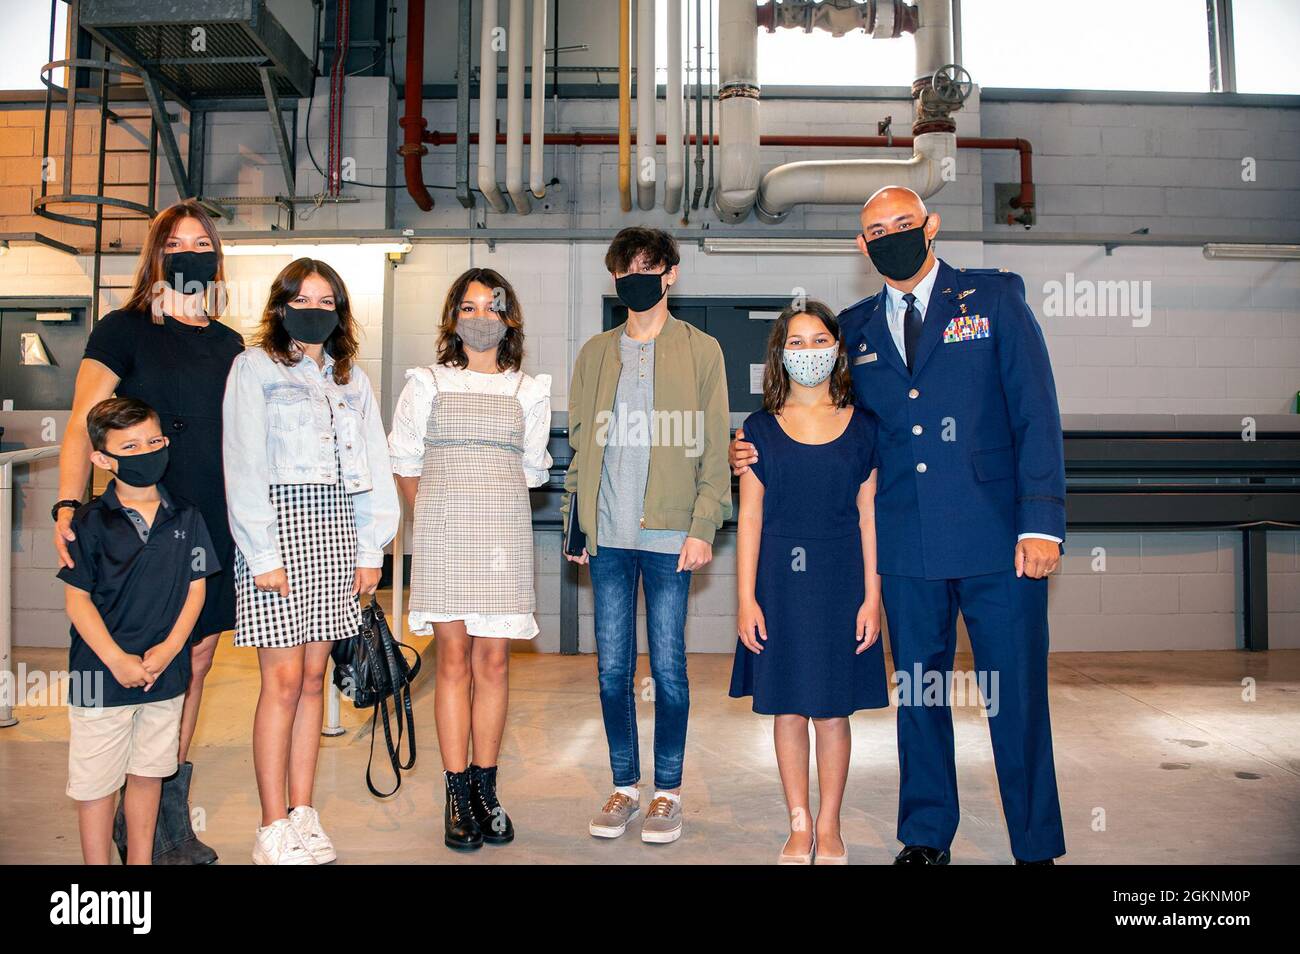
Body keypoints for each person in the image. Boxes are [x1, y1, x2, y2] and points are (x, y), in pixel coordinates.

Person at [731, 187, 1067, 866]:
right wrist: (756, 448)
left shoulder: (993, 300)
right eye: (874, 230)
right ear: (862, 246)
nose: (889, 237)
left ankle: (1035, 843)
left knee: (1017, 696)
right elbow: (834, 423)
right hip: (907, 547)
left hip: (999, 541)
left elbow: (1037, 414)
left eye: (902, 224)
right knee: (921, 696)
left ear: (931, 226)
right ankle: (926, 834)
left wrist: (1042, 524)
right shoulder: (852, 331)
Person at [51, 199, 243, 864]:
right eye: (176, 243)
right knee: (131, 657)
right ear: (156, 257)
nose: (190, 251)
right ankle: (117, 815)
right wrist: (67, 507)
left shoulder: (229, 343)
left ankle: (163, 816)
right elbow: (82, 421)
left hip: (209, 521)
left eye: (201, 242)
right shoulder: (122, 329)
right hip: (137, 527)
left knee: (194, 661)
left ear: (215, 259)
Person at [223, 258, 399, 865]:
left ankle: (304, 813)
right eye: (304, 299)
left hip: (338, 537)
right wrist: (262, 554)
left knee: (313, 683)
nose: (315, 310)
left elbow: (374, 467)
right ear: (280, 305)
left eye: (328, 302)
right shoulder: (253, 368)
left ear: (341, 312)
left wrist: (371, 549)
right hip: (278, 535)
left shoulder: (354, 380)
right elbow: (242, 465)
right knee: (280, 684)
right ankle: (271, 824)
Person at [564, 226, 732, 846]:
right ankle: (623, 785)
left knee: (668, 669)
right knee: (611, 670)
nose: (635, 276)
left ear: (671, 273)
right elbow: (581, 446)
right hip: (607, 538)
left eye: (647, 266)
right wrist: (578, 524)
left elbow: (715, 447)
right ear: (614, 279)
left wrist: (703, 524)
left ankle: (667, 792)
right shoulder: (593, 353)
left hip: (670, 537)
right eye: (624, 268)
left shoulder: (702, 351)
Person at [388, 267, 552, 851]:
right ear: (452, 317)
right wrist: (433, 522)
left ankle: (487, 789)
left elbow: (532, 471)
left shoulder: (529, 391)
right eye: (469, 306)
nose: (480, 317)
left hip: (502, 543)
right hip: (444, 542)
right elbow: (405, 462)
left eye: (492, 307)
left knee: (495, 665)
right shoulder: (425, 383)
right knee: (452, 661)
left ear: (509, 319)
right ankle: (456, 792)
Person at [731, 301, 886, 865]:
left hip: (842, 582)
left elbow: (870, 515)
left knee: (831, 711)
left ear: (838, 349)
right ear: (779, 354)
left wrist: (874, 597)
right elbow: (749, 517)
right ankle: (798, 824)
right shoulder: (757, 431)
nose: (808, 352)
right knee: (789, 709)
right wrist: (745, 597)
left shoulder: (865, 427)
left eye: (819, 340)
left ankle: (830, 823)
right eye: (795, 342)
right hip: (778, 584)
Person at [58, 397, 220, 864]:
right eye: (130, 446)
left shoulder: (186, 516)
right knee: (96, 785)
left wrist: (171, 650)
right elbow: (77, 598)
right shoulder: (88, 522)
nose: (146, 451)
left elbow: (196, 591)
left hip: (163, 674)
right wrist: (116, 659)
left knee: (149, 773)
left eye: (153, 441)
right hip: (100, 675)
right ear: (103, 460)